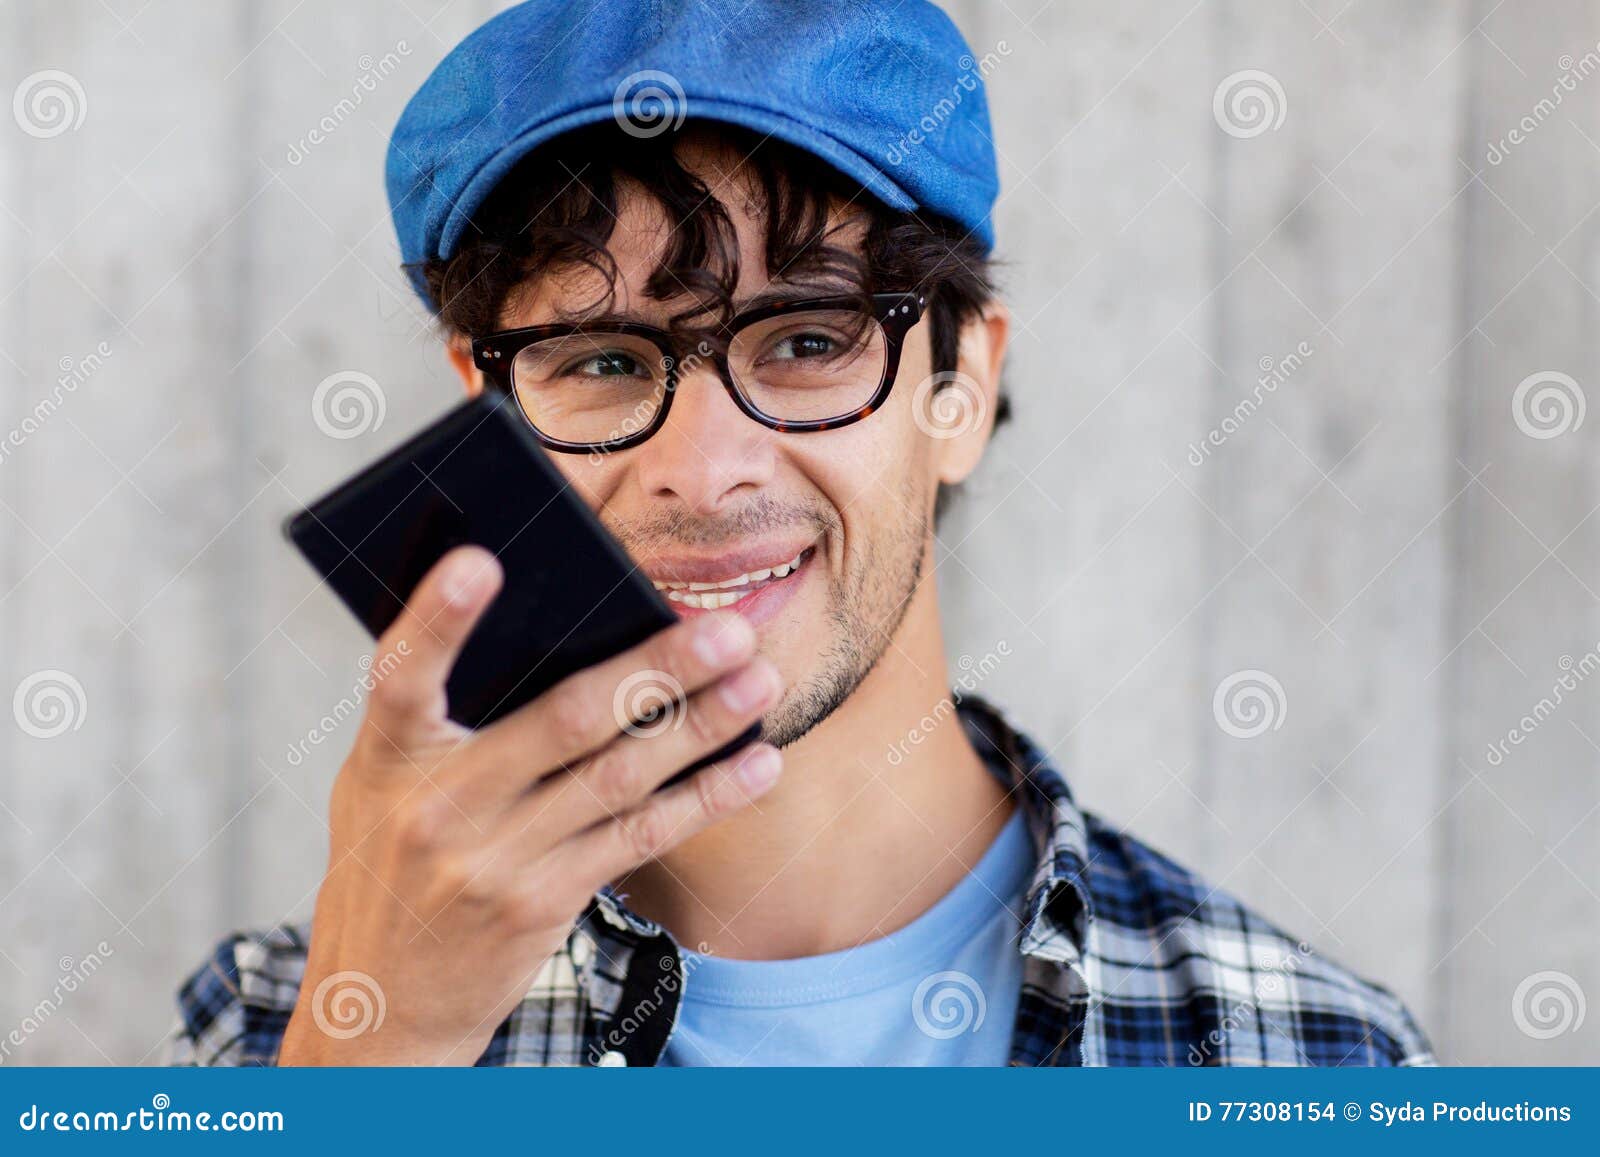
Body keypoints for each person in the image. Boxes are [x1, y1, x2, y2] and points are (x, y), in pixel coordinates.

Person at [171, 0, 1433, 1067]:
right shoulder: (279, 1031)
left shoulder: (1315, 1058)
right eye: (601, 358)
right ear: (489, 414)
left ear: (964, 390)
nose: (705, 472)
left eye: (810, 339)